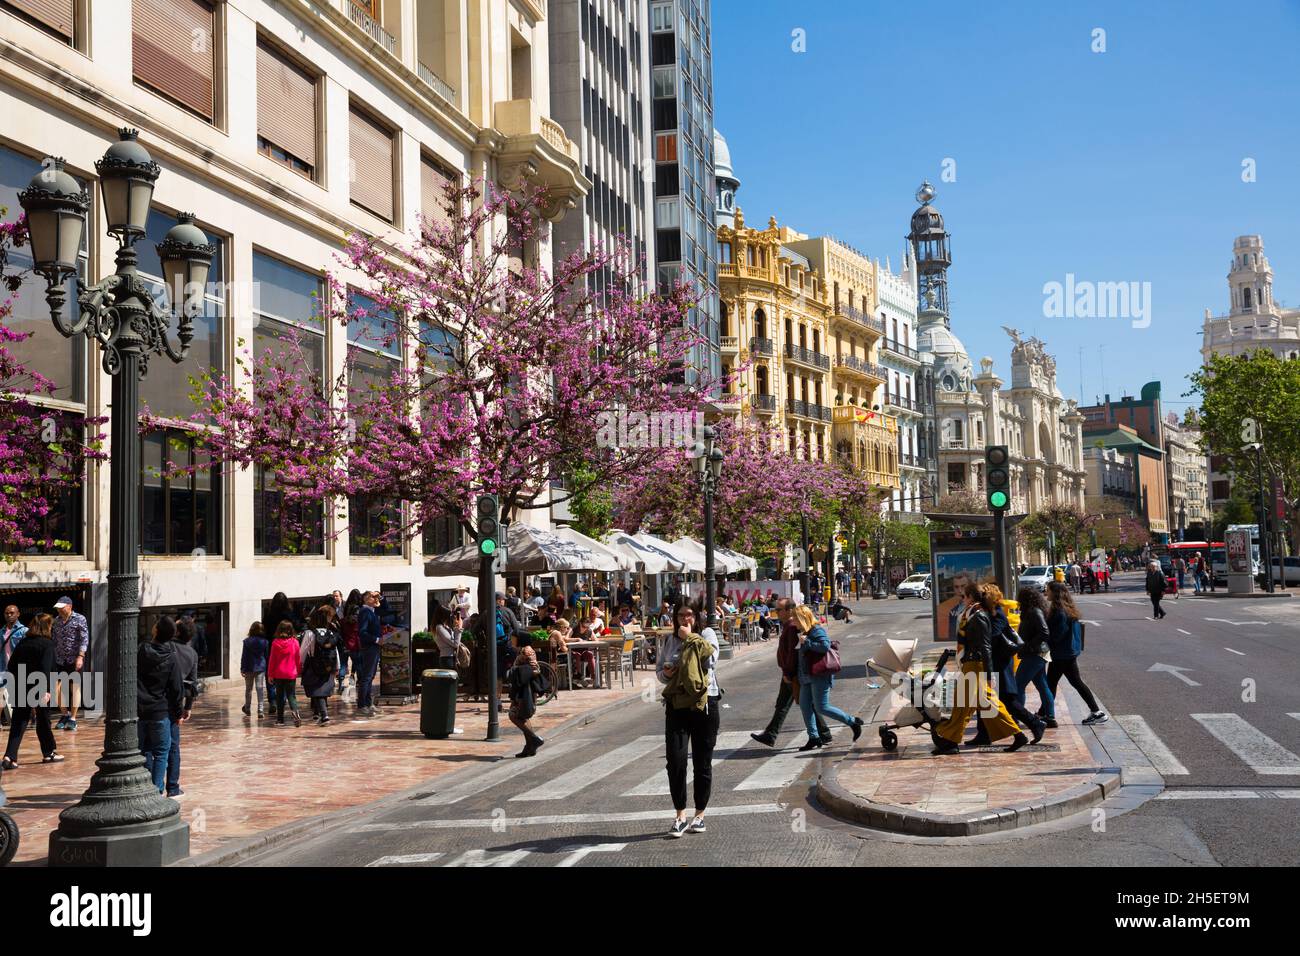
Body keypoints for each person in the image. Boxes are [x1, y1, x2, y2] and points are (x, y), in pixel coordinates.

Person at [931, 584, 1030, 754]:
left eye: (963, 597)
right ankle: (1018, 735)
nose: (962, 600)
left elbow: (986, 647)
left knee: (964, 703)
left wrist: (989, 674)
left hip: (976, 665)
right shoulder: (971, 615)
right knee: (983, 703)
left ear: (970, 596)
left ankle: (951, 742)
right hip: (971, 664)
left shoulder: (978, 616)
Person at [657, 603, 721, 837]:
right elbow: (659, 673)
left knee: (702, 763)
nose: (685, 619)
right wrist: (667, 673)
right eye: (680, 615)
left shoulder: (706, 634)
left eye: (689, 615)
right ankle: (680, 815)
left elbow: (711, 660)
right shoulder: (670, 640)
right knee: (675, 760)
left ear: (697, 616)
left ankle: (700, 814)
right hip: (676, 705)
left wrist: (690, 637)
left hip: (705, 704)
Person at [751, 598, 830, 747]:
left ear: (788, 611)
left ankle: (824, 733)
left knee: (803, 703)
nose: (776, 613)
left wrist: (788, 673)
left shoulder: (793, 627)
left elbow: (792, 654)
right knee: (789, 704)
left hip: (792, 673)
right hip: (790, 672)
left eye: (779, 610)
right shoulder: (789, 625)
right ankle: (771, 734)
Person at [792, 605, 863, 751]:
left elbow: (824, 647)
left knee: (822, 707)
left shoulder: (817, 630)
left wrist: (807, 642)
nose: (793, 621)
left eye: (795, 618)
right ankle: (814, 737)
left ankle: (852, 722)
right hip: (806, 675)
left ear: (803, 618)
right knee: (805, 706)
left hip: (819, 674)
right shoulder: (803, 632)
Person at [2, 613, 61, 768]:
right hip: (39, 686)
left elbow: (11, 666)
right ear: (47, 626)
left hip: (21, 685)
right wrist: (46, 690)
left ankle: (9, 757)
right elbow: (45, 668)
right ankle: (49, 752)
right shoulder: (47, 644)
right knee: (43, 719)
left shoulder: (23, 642)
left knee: (19, 722)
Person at [1044, 582, 1107, 725]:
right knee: (1067, 683)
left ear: (1055, 593)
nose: (1046, 592)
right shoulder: (1066, 609)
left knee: (1054, 683)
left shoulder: (1060, 612)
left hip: (1062, 654)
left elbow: (1056, 635)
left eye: (1048, 590)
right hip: (1066, 652)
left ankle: (1047, 714)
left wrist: (1044, 638)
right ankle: (1096, 711)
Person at [137, 616, 183, 792]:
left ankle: (147, 787)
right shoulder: (171, 658)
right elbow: (176, 689)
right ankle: (156, 790)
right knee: (161, 753)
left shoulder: (142, 650)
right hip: (160, 712)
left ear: (156, 630)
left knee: (145, 750)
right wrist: (178, 713)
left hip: (140, 710)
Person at [165, 619, 200, 797]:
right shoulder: (192, 654)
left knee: (151, 746)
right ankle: (172, 787)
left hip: (157, 700)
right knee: (173, 746)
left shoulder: (166, 647)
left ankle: (154, 786)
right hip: (176, 704)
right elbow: (192, 685)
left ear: (177, 632)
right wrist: (188, 707)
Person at [1014, 587, 1056, 728]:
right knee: (1042, 685)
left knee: (1018, 684)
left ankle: (1017, 716)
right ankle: (1050, 716)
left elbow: (1044, 632)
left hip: (1035, 653)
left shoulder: (1034, 612)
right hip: (1036, 653)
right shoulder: (1030, 611)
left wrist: (1029, 646)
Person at [51, 595, 89, 731]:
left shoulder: (80, 619)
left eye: (62, 608)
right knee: (55, 688)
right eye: (58, 608)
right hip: (59, 659)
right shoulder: (56, 621)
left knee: (75, 688)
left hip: (74, 659)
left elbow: (84, 639)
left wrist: (81, 656)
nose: (59, 611)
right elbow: (54, 640)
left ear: (69, 606)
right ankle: (64, 714)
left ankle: (73, 718)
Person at [506, 632, 545, 758]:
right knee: (523, 716)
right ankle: (530, 747)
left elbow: (535, 669)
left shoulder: (526, 651)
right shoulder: (523, 650)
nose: (512, 641)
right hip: (521, 687)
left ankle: (534, 739)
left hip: (525, 688)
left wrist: (515, 672)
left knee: (514, 715)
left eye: (513, 638)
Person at [300, 605, 340, 725]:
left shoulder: (309, 633)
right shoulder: (331, 633)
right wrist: (337, 666)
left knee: (316, 691)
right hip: (328, 666)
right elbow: (335, 650)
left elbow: (303, 651)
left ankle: (324, 715)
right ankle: (318, 714)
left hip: (313, 665)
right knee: (322, 690)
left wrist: (300, 664)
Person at [267, 620, 303, 727]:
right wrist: (299, 670)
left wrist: (270, 674)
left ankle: (280, 719)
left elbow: (272, 660)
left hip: (279, 674)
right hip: (291, 673)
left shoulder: (275, 643)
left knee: (279, 697)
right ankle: (295, 712)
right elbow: (298, 659)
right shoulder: (295, 643)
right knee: (291, 695)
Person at [353, 591, 383, 717]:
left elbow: (385, 607)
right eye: (372, 596)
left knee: (370, 677)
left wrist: (380, 597)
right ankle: (362, 705)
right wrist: (376, 639)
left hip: (374, 647)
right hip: (370, 647)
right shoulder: (365, 612)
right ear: (365, 599)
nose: (375, 598)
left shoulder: (372, 611)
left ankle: (368, 703)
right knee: (366, 677)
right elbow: (362, 632)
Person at [1, 605, 27, 727]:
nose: (9, 615)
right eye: (7, 613)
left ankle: (30, 717)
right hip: (3, 668)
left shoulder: (24, 631)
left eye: (12, 613)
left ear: (18, 614)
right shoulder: (1, 631)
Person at [241, 621, 268, 719]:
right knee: (260, 688)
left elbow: (244, 656)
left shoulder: (246, 641)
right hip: (260, 667)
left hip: (249, 667)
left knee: (249, 689)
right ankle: (260, 709)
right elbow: (266, 656)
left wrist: (242, 668)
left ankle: (247, 708)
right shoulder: (265, 642)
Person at [339, 589, 363, 696]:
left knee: (343, 665)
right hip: (355, 646)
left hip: (345, 645)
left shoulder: (343, 621)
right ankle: (360, 682)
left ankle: (340, 684)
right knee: (358, 664)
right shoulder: (359, 622)